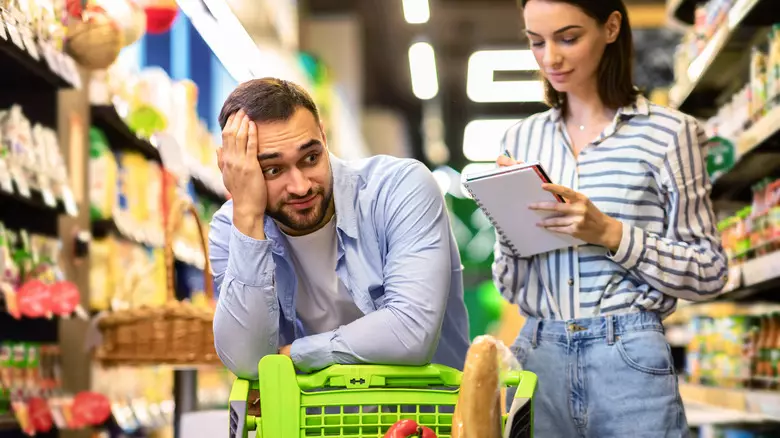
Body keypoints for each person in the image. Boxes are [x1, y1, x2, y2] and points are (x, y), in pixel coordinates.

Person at [494, 0, 727, 436]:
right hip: (538, 354)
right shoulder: (520, 137)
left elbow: (711, 271)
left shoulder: (670, 135)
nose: (551, 58)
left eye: (568, 37)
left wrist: (610, 233)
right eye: (536, 42)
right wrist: (510, 226)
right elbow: (511, 286)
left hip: (630, 358)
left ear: (612, 27)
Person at [209, 77, 470, 379]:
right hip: (311, 426)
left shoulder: (399, 189)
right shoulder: (232, 228)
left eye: (310, 158)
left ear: (323, 136)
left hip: (425, 416)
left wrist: (294, 355)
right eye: (273, 169)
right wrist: (247, 216)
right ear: (240, 169)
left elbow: (411, 332)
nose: (300, 186)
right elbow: (245, 360)